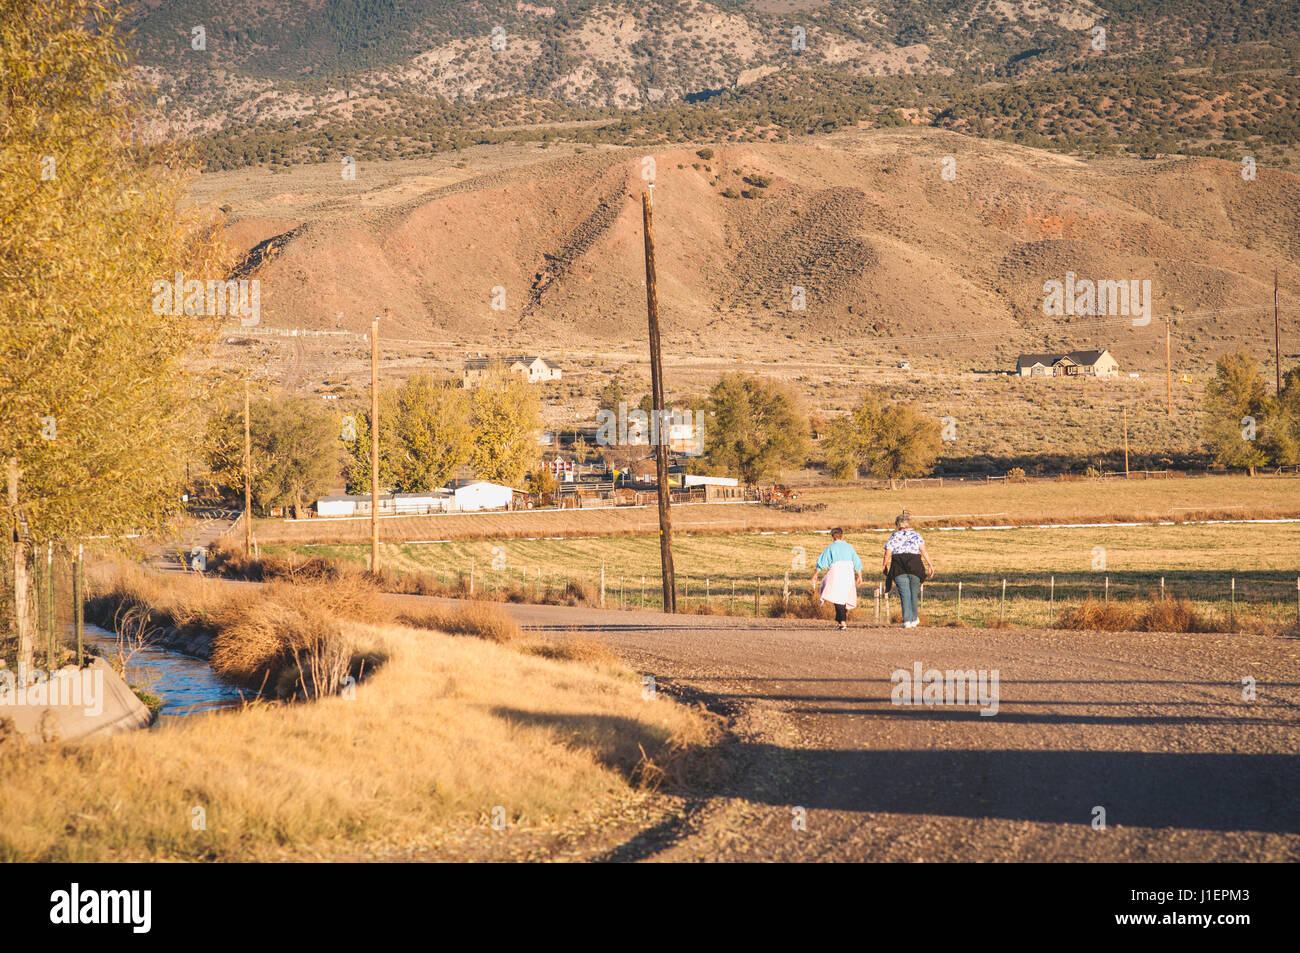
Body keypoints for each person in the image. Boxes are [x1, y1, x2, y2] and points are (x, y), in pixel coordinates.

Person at [883, 511, 934, 628]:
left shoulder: (894, 536)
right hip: (915, 565)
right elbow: (923, 551)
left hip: (898, 566)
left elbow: (887, 553)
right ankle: (914, 619)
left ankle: (906, 620)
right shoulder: (917, 535)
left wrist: (884, 565)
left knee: (904, 593)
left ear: (897, 525)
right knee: (913, 593)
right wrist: (930, 565)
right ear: (908, 524)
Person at [811, 527, 863, 630]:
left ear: (832, 537)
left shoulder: (830, 548)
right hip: (848, 572)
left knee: (837, 597)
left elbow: (822, 561)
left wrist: (815, 574)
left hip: (836, 572)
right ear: (842, 536)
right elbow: (857, 561)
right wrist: (859, 575)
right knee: (843, 597)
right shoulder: (849, 547)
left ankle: (842, 622)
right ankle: (840, 621)